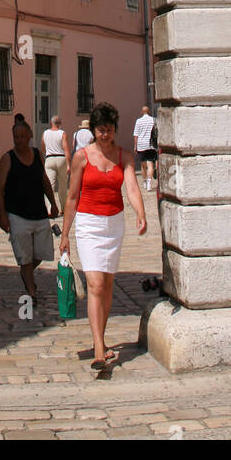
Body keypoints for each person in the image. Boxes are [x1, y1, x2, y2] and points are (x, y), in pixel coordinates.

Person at [61, 102, 147, 374]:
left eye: (109, 130)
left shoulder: (124, 156)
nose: (105, 135)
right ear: (94, 130)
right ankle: (99, 347)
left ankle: (101, 336)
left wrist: (140, 212)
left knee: (107, 284)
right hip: (88, 224)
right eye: (100, 130)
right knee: (95, 284)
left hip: (113, 224)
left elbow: (131, 187)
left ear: (114, 129)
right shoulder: (81, 157)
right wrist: (65, 233)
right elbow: (72, 197)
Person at [0, 120, 59, 302]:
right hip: (17, 215)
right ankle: (32, 292)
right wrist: (2, 215)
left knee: (42, 253)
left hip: (39, 213)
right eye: (16, 137)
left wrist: (53, 203)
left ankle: (27, 273)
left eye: (22, 136)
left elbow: (44, 181)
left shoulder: (38, 155)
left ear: (30, 136)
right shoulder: (8, 159)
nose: (19, 140)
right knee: (24, 257)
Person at [40, 115, 70, 213]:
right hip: (61, 158)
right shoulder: (62, 133)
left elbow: (43, 148)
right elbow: (66, 149)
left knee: (49, 185)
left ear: (51, 123)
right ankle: (64, 208)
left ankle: (49, 209)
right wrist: (69, 164)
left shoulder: (45, 133)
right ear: (60, 124)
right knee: (63, 186)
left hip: (49, 158)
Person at [132, 105, 157, 191]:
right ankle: (150, 182)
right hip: (150, 145)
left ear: (141, 112)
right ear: (149, 111)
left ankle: (145, 182)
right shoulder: (153, 120)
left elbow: (136, 134)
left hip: (141, 145)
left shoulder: (138, 121)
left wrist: (135, 146)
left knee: (143, 166)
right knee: (150, 165)